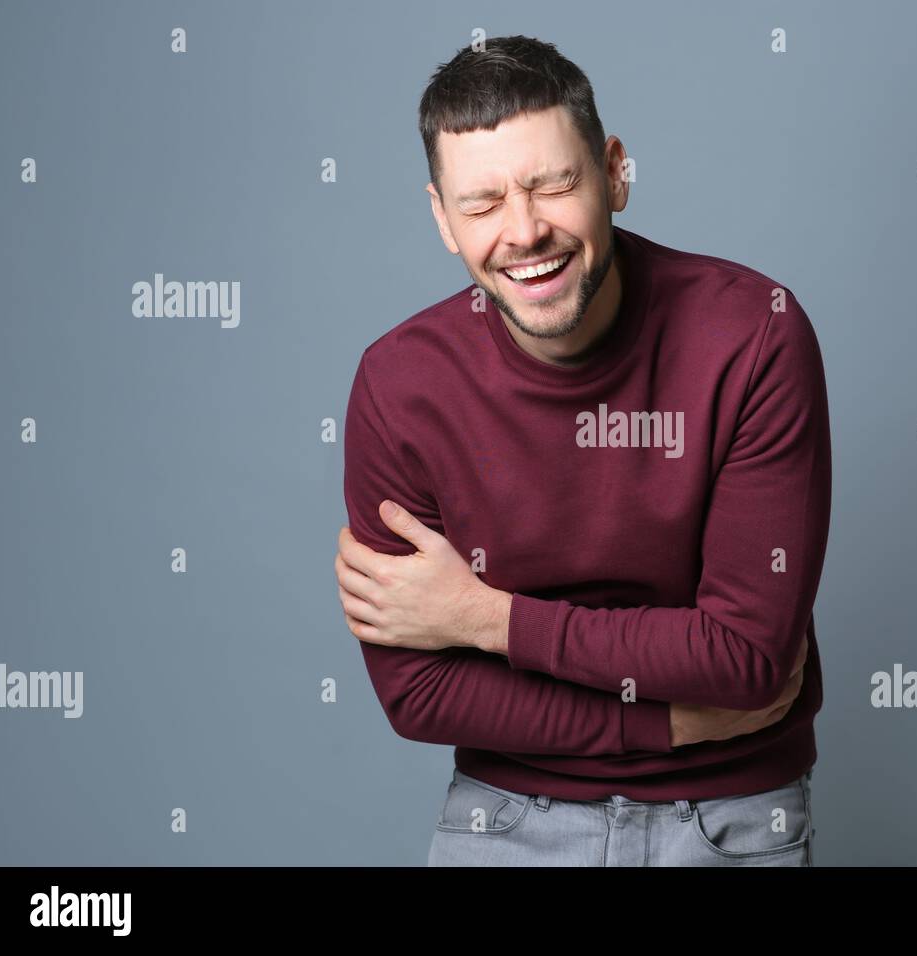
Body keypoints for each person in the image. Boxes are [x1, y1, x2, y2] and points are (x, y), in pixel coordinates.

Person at [336, 34, 831, 866]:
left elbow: (747, 661)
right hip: (503, 820)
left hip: (732, 818)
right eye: (482, 202)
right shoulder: (400, 384)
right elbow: (419, 695)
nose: (524, 232)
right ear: (441, 219)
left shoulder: (754, 334)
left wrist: (484, 619)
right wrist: (669, 719)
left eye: (554, 184)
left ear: (614, 172)